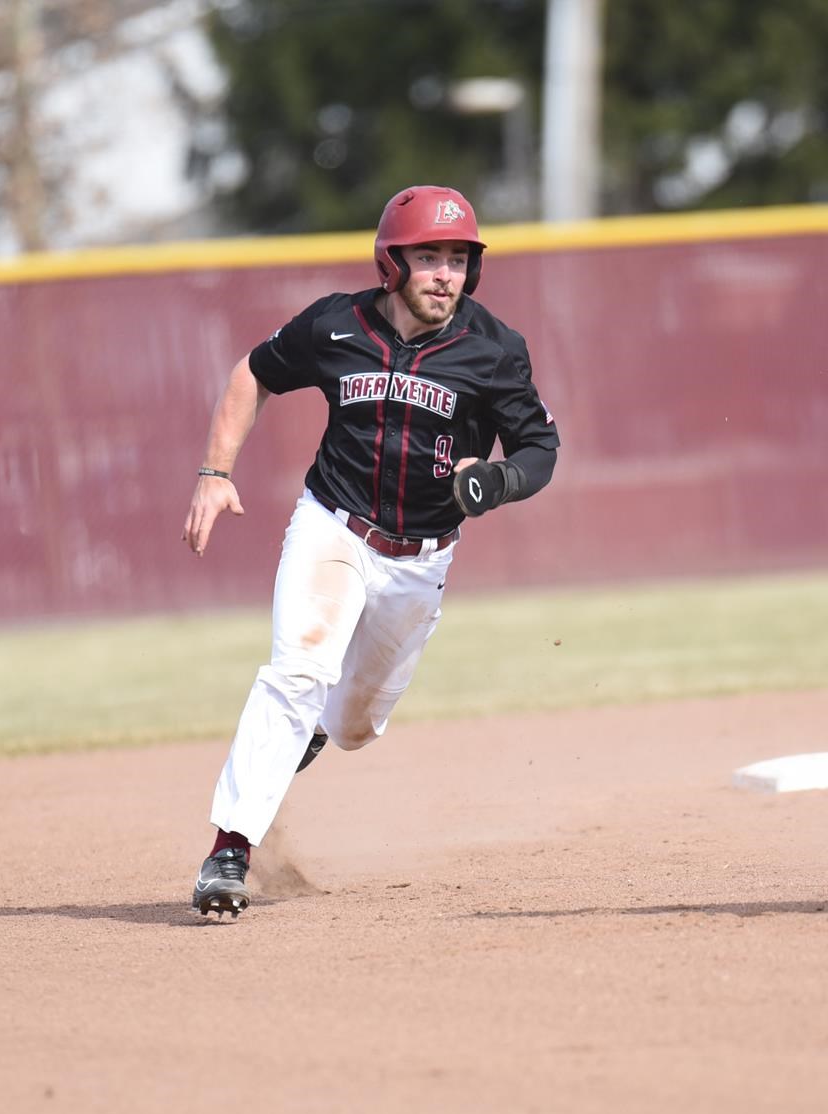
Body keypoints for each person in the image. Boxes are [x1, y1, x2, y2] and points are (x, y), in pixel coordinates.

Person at [180, 185, 561, 918]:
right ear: (392, 262)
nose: (445, 273)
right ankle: (230, 849)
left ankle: (319, 730)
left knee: (354, 726)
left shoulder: (493, 349)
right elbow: (256, 373)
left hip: (420, 561)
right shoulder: (335, 324)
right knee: (296, 670)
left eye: (458, 259)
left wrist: (499, 478)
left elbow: (541, 446)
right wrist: (213, 473)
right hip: (332, 526)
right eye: (429, 258)